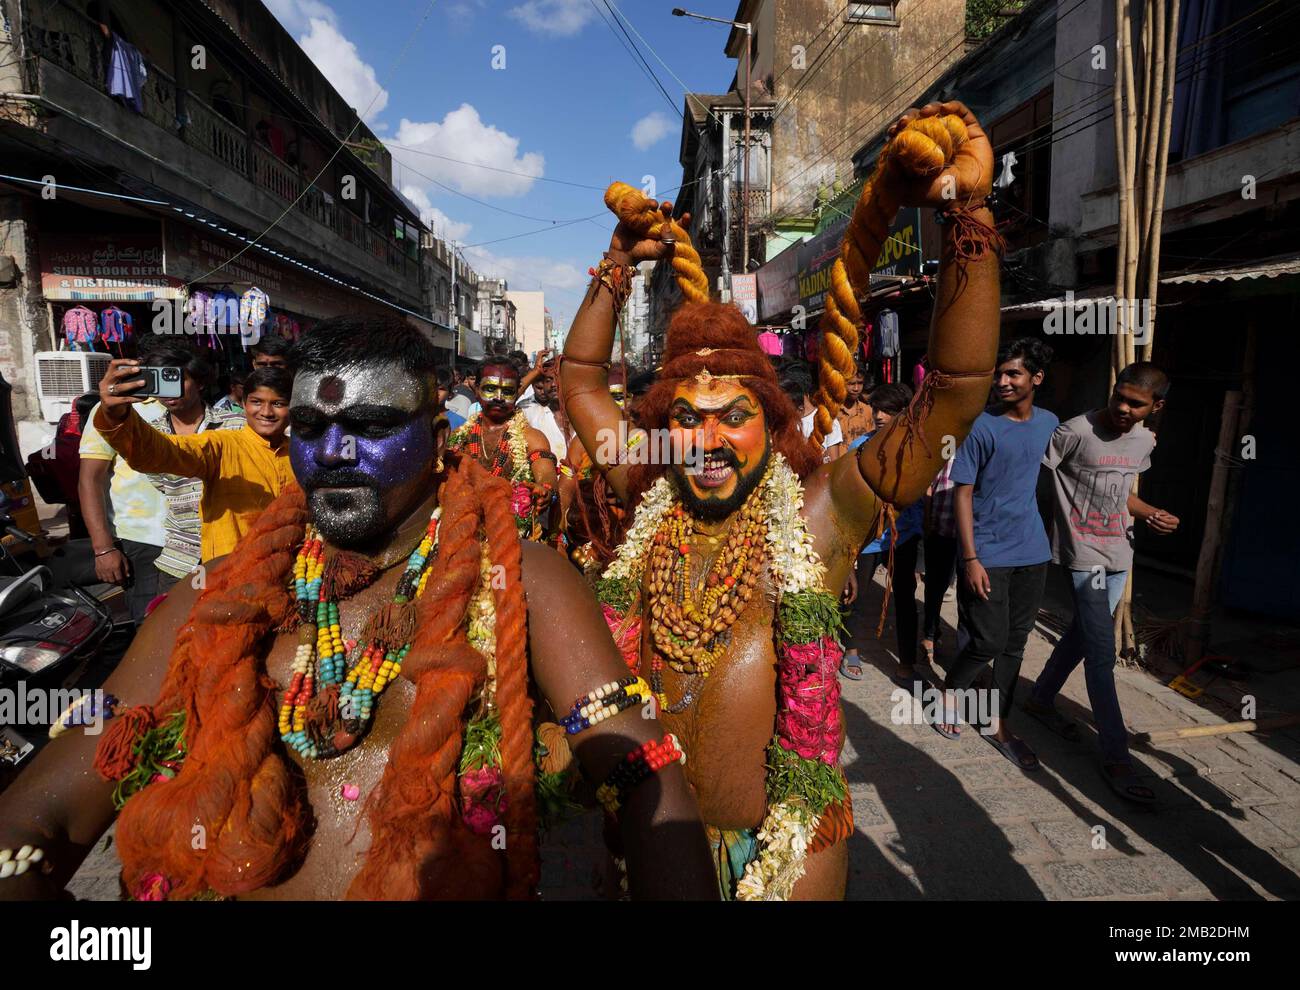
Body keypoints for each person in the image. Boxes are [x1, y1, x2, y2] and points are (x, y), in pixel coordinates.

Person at [0, 315, 715, 901]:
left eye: (370, 426)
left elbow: (644, 770)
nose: (335, 451)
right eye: (310, 428)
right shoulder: (217, 593)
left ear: (436, 441)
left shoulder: (524, 578)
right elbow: (51, 803)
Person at [563, 101, 1003, 898]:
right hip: (648, 849)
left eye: (735, 417)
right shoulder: (650, 485)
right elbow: (583, 385)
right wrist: (617, 262)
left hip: (787, 850)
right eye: (686, 419)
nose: (706, 440)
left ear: (774, 424)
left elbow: (955, 397)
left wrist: (965, 213)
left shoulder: (820, 512)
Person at [1025, 362, 1179, 803]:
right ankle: (1116, 755)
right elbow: (1027, 472)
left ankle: (1040, 699)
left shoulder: (1145, 440)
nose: (1124, 408)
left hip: (1119, 553)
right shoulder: (1075, 431)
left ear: (1156, 406)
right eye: (1120, 398)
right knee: (1101, 652)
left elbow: (1118, 490)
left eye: (1136, 403)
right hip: (1084, 555)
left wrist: (1150, 513)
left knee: (1082, 637)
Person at [936, 337, 1058, 772]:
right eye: (1000, 374)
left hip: (1032, 550)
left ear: (1036, 379)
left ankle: (997, 720)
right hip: (986, 551)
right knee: (987, 638)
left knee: (1015, 642)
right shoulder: (981, 426)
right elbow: (961, 492)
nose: (1003, 382)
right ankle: (952, 689)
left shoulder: (1049, 423)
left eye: (1014, 374)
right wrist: (969, 559)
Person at [91, 363, 294, 564]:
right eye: (257, 402)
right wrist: (115, 414)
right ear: (243, 403)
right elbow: (162, 451)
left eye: (278, 404)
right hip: (228, 575)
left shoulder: (301, 454)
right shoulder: (221, 444)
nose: (266, 412)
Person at [129, 342, 244, 589]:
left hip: (236, 551)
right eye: (162, 383)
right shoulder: (152, 436)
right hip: (180, 557)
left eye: (177, 380)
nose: (169, 392)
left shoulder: (238, 425)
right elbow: (161, 483)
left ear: (200, 383)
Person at [840, 384, 924, 685]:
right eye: (876, 409)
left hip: (904, 535)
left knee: (904, 598)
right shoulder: (859, 447)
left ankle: (906, 661)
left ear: (904, 413)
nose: (879, 415)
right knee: (855, 597)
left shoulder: (916, 448)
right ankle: (850, 649)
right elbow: (848, 497)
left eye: (887, 410)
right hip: (867, 536)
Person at [445, 358, 557, 537]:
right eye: (490, 389)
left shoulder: (531, 436)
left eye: (507, 391)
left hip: (514, 537)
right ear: (476, 390)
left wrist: (545, 488)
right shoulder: (459, 436)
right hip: (463, 534)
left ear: (516, 393)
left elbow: (545, 470)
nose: (498, 397)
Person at [921, 456, 959, 663]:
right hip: (941, 528)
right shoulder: (948, 453)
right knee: (936, 586)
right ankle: (929, 634)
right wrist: (927, 521)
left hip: (969, 533)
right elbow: (929, 487)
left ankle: (964, 650)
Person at [836, 364, 875, 447]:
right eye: (851, 384)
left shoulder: (868, 411)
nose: (856, 388)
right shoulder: (831, 411)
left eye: (860, 383)